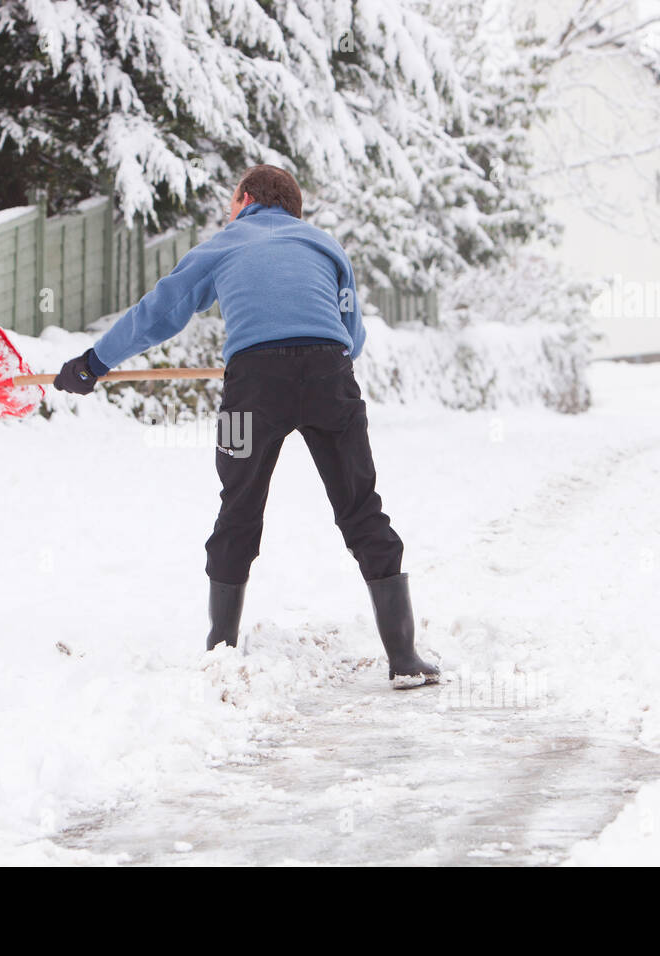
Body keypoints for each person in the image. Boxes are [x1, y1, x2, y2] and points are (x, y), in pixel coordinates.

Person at [53, 165, 439, 687]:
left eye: (231, 201)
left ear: (246, 198)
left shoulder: (224, 243)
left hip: (252, 386)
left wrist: (92, 363)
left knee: (238, 509)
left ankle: (221, 652)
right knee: (361, 507)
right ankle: (404, 657)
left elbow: (159, 313)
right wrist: (308, 348)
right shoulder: (326, 246)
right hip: (331, 376)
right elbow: (352, 336)